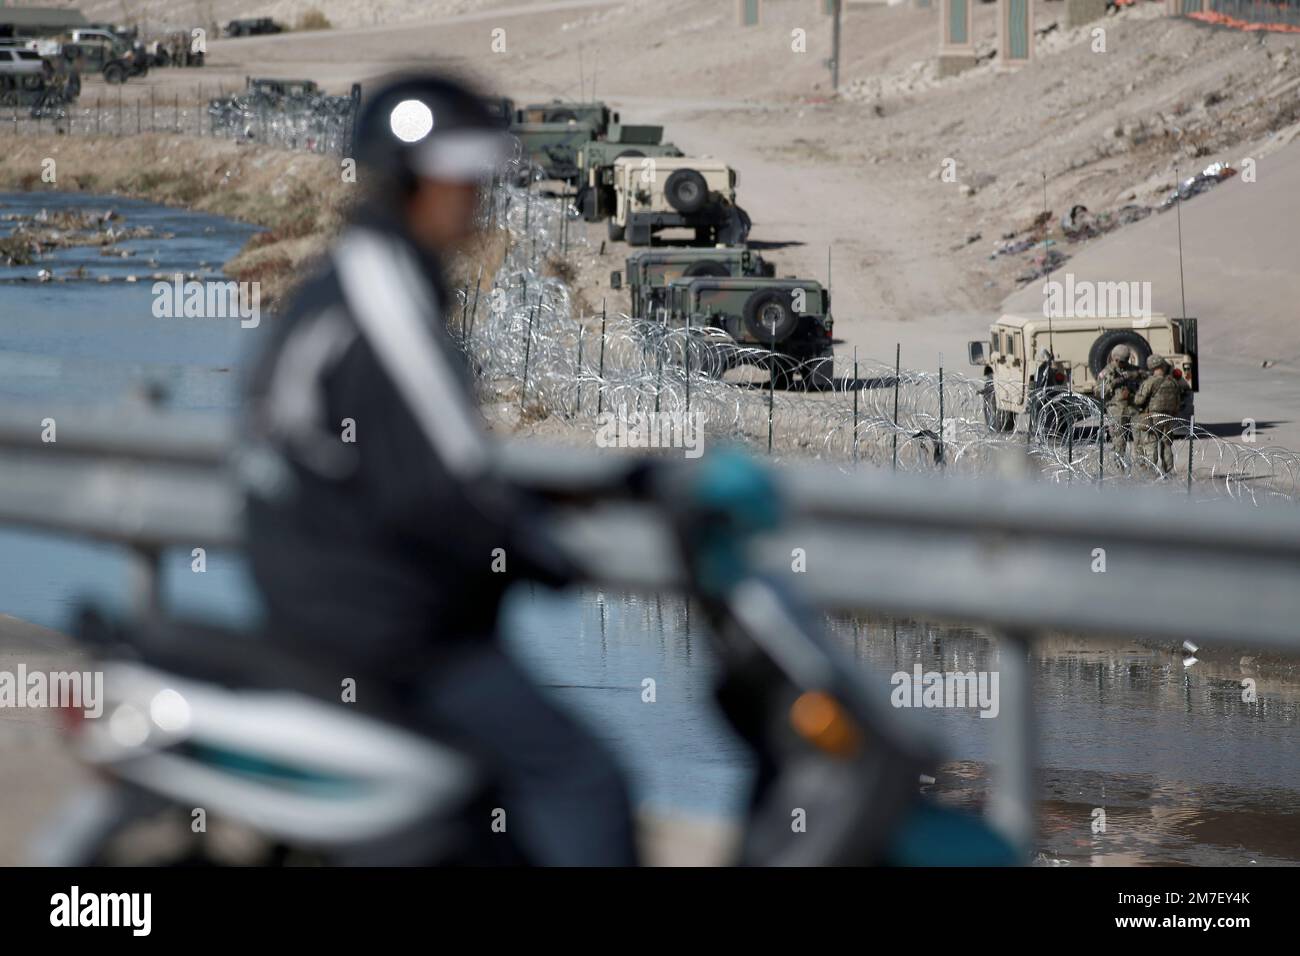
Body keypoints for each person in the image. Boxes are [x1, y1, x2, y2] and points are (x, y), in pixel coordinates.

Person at [238, 74, 638, 866]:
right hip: (383, 628)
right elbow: (451, 485)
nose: (476, 197)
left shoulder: (345, 283)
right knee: (581, 779)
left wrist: (582, 493)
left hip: (319, 607)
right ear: (412, 180)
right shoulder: (387, 297)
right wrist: (550, 556)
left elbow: (413, 461)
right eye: (462, 176)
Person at [1133, 354, 1190, 476]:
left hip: (1153, 418)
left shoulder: (1150, 382)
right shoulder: (1172, 382)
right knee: (1166, 445)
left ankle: (1151, 473)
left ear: (1151, 366)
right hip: (1168, 417)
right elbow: (1178, 402)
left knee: (1150, 444)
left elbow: (1139, 401)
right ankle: (1167, 472)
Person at [1098, 344, 1143, 462]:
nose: (1124, 364)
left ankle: (1143, 469)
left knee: (1140, 440)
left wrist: (1135, 375)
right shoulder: (1106, 372)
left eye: (1126, 361)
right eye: (1122, 362)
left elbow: (1147, 376)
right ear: (1115, 359)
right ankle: (1120, 471)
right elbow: (1098, 391)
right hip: (1116, 409)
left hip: (1132, 407)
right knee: (1119, 442)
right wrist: (1112, 384)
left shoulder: (1132, 369)